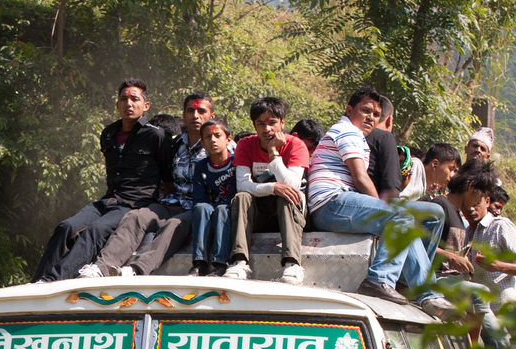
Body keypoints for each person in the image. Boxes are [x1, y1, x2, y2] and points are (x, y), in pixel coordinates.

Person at [305, 88, 451, 311]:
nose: (371, 117)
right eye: (365, 111)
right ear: (349, 109)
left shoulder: (358, 138)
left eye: (375, 114)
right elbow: (360, 177)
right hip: (331, 203)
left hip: (343, 202)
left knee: (432, 215)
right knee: (400, 216)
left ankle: (413, 284)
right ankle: (379, 279)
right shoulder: (346, 131)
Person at [32, 79, 172, 282]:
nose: (129, 104)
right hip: (109, 201)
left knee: (96, 231)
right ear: (117, 104)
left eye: (134, 99)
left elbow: (168, 179)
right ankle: (37, 281)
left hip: (134, 204)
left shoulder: (156, 135)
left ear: (146, 105)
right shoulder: (108, 134)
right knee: (66, 227)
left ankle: (53, 280)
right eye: (123, 99)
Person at [78, 93, 217, 278]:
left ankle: (136, 269)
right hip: (172, 202)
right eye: (190, 111)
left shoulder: (218, 144)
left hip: (198, 208)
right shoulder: (175, 144)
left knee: (174, 225)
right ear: (183, 115)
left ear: (212, 116)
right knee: (136, 217)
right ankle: (102, 267)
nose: (195, 116)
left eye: (201, 111)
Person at [444, 165, 516, 349]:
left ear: (487, 201)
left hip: (502, 307)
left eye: (477, 204)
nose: (471, 209)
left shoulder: (501, 226)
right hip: (478, 307)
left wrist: (497, 265)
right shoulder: (466, 230)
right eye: (468, 204)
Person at [223, 96, 309, 284]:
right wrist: (273, 187)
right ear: (254, 126)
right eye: (261, 124)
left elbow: (292, 185)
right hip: (258, 214)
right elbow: (243, 185)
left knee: (287, 195)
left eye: (272, 123)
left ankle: (292, 264)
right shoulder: (245, 144)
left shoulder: (296, 145)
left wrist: (273, 153)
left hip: (289, 214)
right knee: (242, 197)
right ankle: (239, 262)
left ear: (282, 123)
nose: (267, 129)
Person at [189, 116, 238, 276]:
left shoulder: (236, 162)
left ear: (228, 139)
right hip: (212, 207)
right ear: (202, 143)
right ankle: (199, 262)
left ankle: (220, 263)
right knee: (201, 208)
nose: (213, 141)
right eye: (208, 137)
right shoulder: (201, 167)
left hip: (231, 209)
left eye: (218, 136)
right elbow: (199, 198)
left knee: (223, 210)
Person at [367, 97, 404, 203]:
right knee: (435, 211)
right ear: (389, 120)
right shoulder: (385, 137)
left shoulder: (349, 134)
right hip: (370, 207)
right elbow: (391, 187)